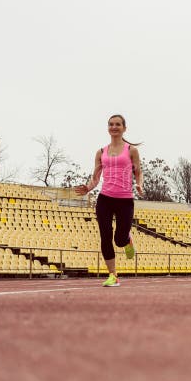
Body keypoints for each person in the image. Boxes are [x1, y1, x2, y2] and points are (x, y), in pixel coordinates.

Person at [75, 114, 143, 287]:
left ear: (124, 128)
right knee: (105, 237)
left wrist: (139, 184)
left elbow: (138, 171)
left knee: (119, 240)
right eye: (111, 124)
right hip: (105, 199)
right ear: (108, 128)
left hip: (125, 200)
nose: (114, 127)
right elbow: (96, 177)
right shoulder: (101, 152)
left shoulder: (131, 151)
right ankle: (113, 275)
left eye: (118, 124)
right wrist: (88, 188)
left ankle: (127, 239)